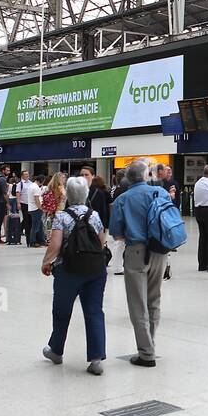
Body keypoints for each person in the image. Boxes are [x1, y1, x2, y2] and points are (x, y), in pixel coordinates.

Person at [41, 176, 108, 375]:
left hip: (68, 270)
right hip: (95, 270)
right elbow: (102, 242)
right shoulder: (94, 215)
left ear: (68, 194)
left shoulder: (61, 216)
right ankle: (96, 359)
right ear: (86, 194)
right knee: (94, 311)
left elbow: (55, 244)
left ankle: (56, 350)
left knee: (62, 311)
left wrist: (46, 262)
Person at [108, 160, 169, 367]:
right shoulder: (160, 193)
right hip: (160, 250)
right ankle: (150, 344)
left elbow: (116, 234)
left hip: (136, 251)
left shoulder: (122, 200)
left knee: (137, 303)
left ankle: (146, 352)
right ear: (146, 176)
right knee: (154, 298)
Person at [0, 165, 11, 244]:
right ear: (3, 171)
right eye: (7, 170)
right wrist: (8, 203)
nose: (8, 172)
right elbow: (5, 193)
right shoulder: (2, 180)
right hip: (1, 202)